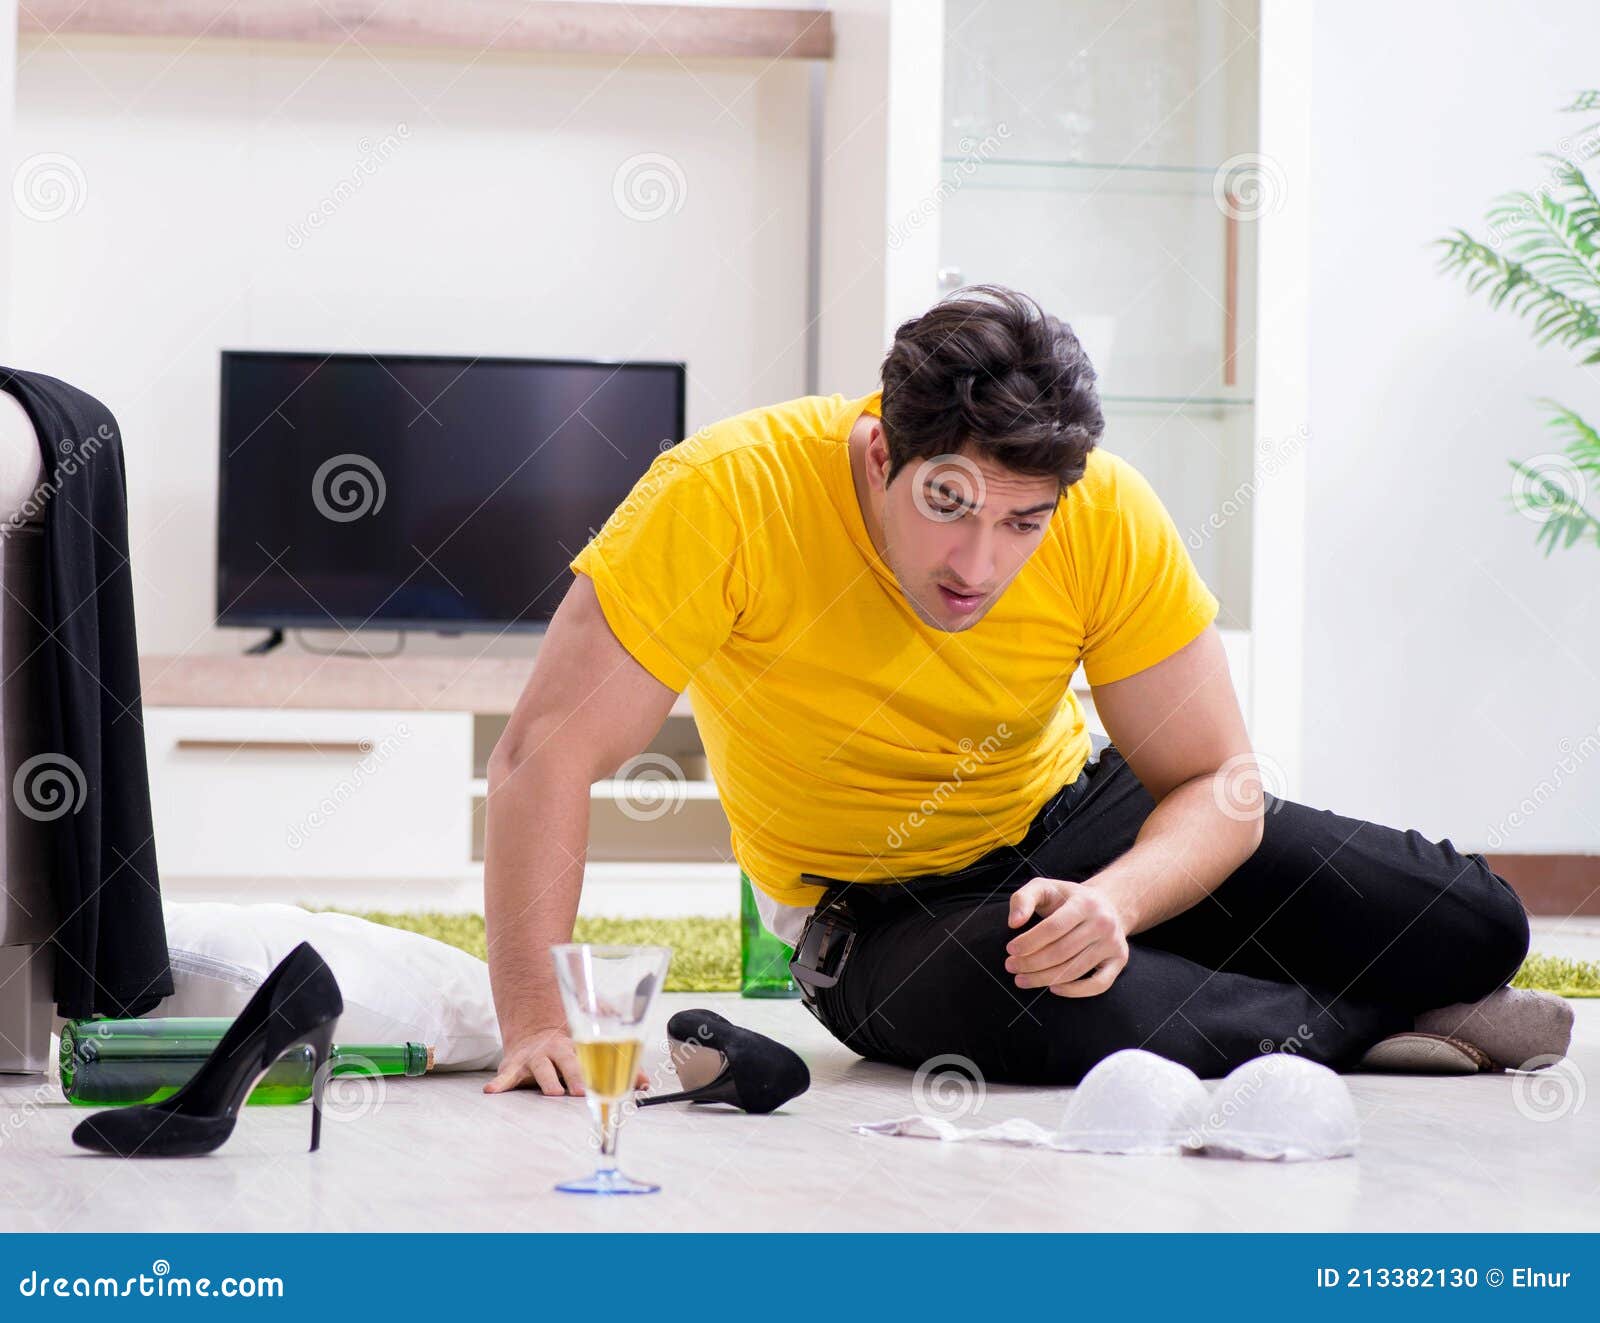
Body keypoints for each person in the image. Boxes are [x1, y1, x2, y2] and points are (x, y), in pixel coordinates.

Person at [481, 284, 1542, 1097]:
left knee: (1476, 923)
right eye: (948, 504)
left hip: (1073, 815)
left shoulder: (1105, 511)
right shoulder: (724, 493)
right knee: (1072, 1004)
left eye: (1022, 522)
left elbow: (1219, 783)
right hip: (877, 912)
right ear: (882, 450)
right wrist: (536, 1019)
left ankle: (1291, 1002)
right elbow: (543, 754)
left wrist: (1117, 901)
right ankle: (1374, 1021)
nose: (977, 565)